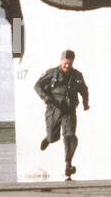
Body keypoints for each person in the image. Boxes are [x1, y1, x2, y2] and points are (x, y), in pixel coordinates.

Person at [34, 50, 89, 180]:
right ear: (61, 61)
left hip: (69, 110)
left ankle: (68, 165)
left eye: (69, 63)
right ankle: (48, 139)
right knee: (54, 137)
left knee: (70, 136)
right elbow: (37, 85)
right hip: (54, 109)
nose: (67, 66)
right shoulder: (52, 73)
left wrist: (85, 103)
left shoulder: (77, 75)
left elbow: (84, 90)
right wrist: (45, 97)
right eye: (65, 63)